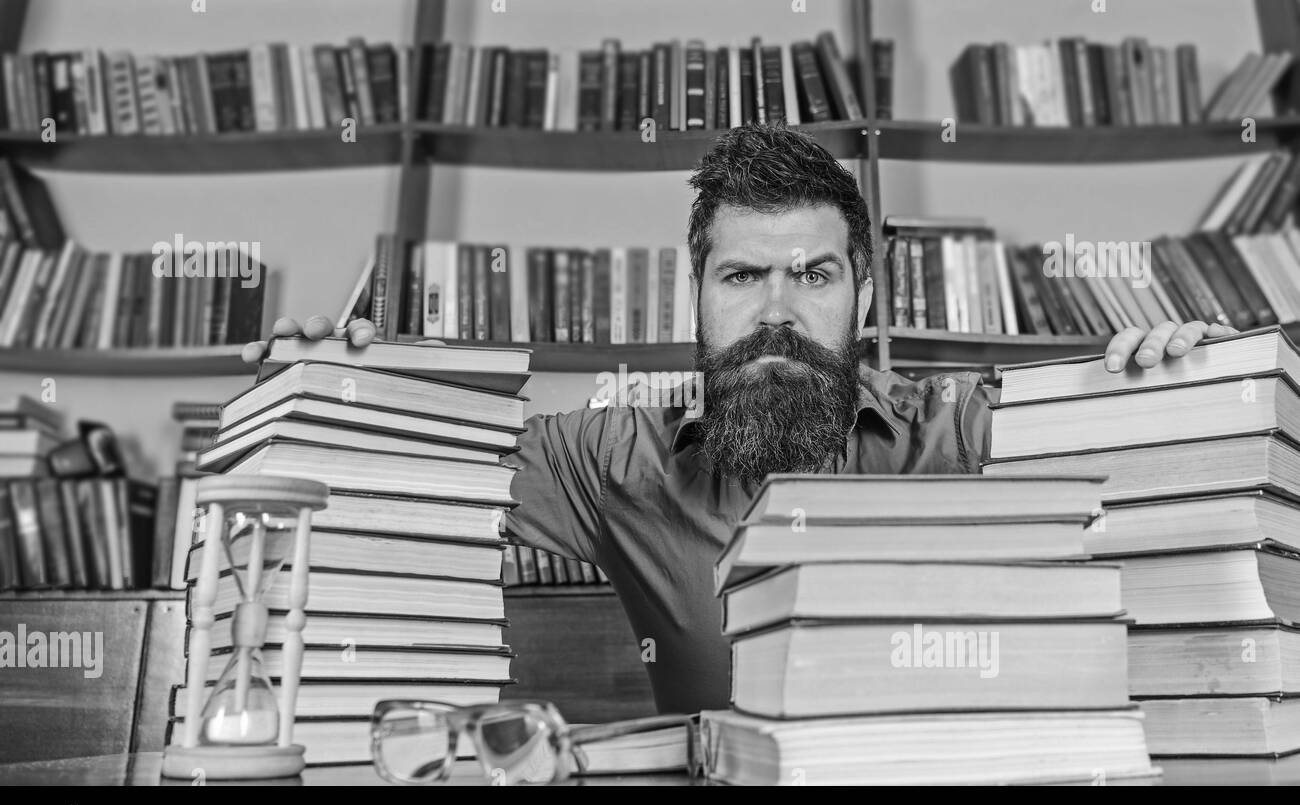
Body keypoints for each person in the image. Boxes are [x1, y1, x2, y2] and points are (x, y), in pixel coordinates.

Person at [243, 124, 1237, 714]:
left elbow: (1211, 489)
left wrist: (1182, 383)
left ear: (864, 291)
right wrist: (333, 390)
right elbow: (376, 471)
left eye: (812, 274)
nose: (776, 311)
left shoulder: (975, 432)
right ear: (697, 293)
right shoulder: (611, 456)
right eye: (742, 276)